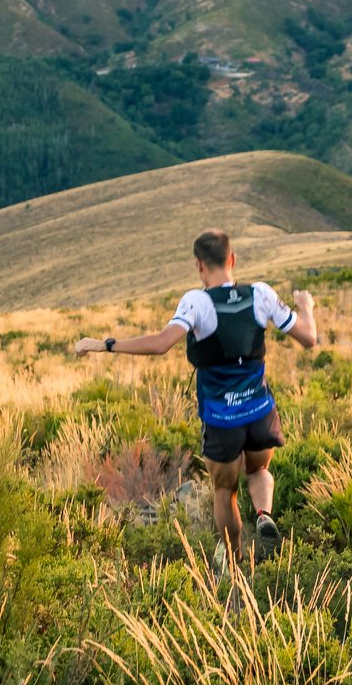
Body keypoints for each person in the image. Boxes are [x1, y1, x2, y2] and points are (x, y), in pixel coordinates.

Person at [75, 231, 319, 563]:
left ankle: (233, 563)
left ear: (199, 265)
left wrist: (105, 345)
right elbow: (309, 338)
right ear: (232, 259)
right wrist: (306, 308)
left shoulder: (196, 302)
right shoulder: (261, 293)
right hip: (259, 411)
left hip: (221, 419)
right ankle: (264, 514)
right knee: (259, 469)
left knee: (225, 491)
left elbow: (161, 344)